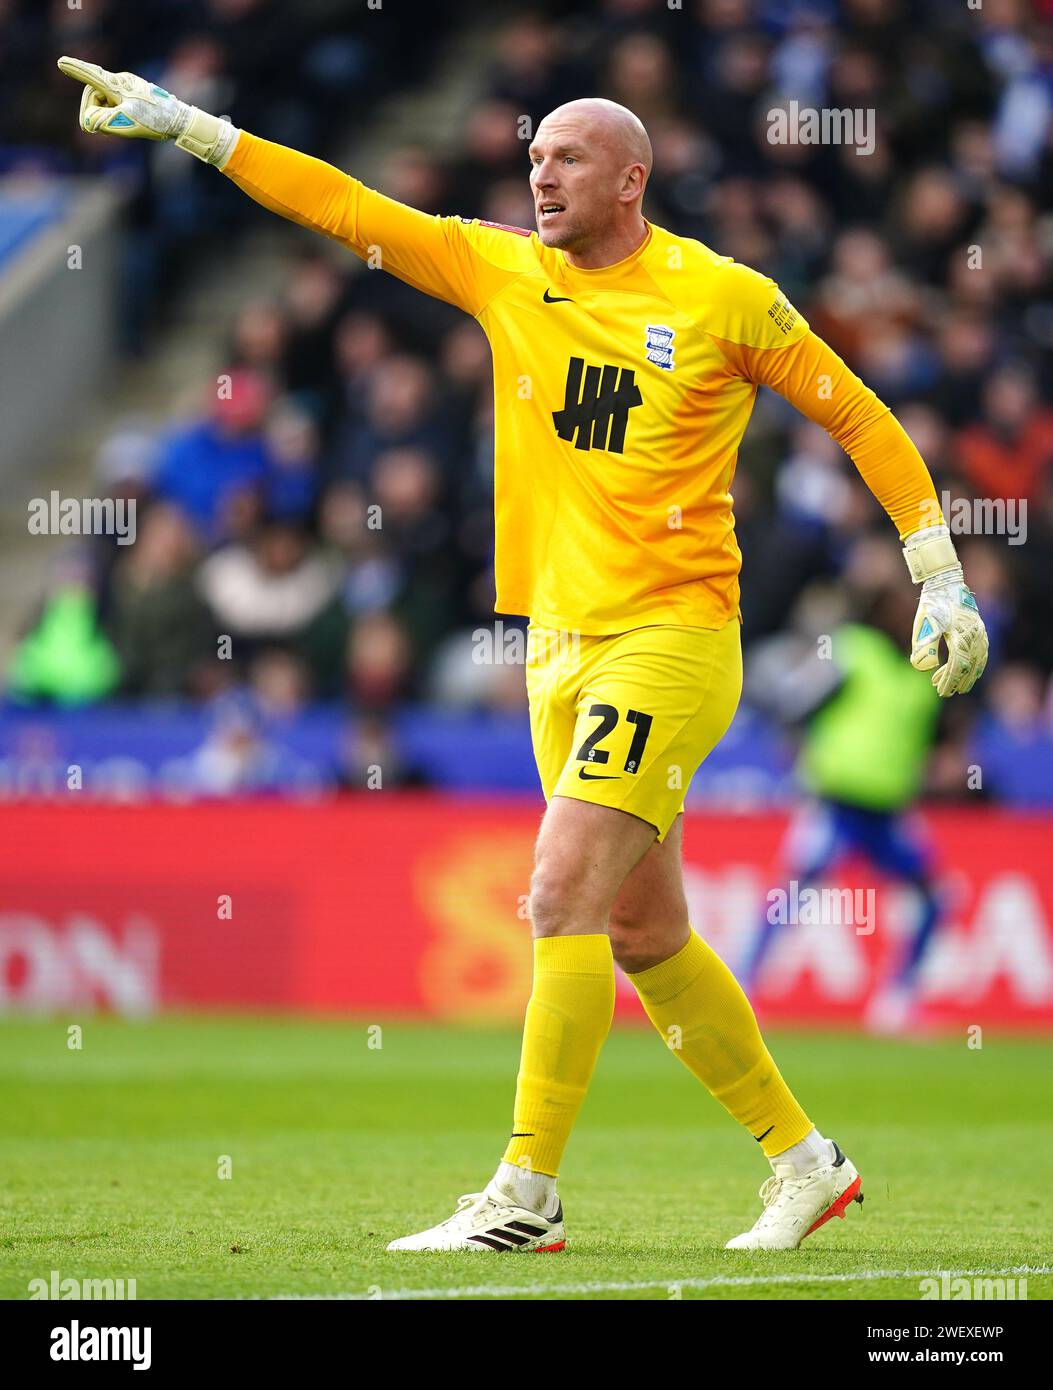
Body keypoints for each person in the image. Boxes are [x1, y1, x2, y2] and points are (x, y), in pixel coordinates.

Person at [57, 60, 990, 1252]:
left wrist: (937, 570)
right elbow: (350, 209)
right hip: (556, 649)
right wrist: (192, 127)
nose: (539, 172)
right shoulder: (503, 270)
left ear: (632, 180)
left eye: (567, 157)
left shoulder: (723, 297)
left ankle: (524, 1193)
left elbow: (857, 409)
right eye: (534, 155)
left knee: (558, 895)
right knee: (644, 933)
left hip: (671, 637)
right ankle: (805, 1161)